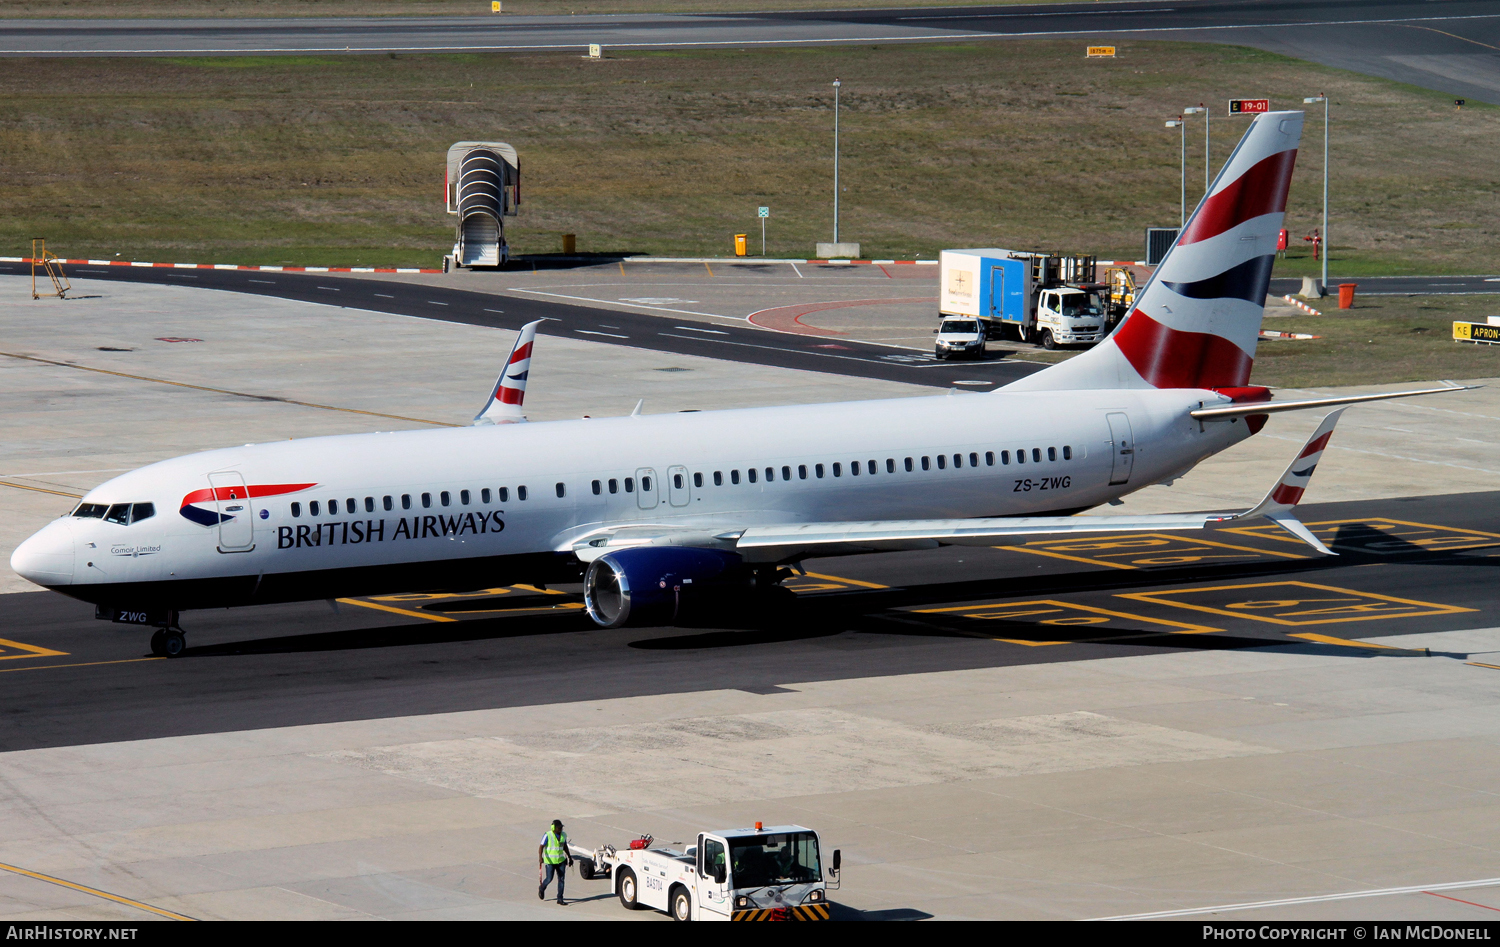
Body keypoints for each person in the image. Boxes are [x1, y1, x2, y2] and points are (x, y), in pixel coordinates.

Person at [538, 819, 572, 904]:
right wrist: (540, 857)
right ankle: (542, 888)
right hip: (550, 862)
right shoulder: (548, 835)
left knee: (561, 879)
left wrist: (570, 857)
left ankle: (560, 898)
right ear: (553, 828)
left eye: (561, 827)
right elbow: (541, 847)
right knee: (549, 878)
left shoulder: (563, 835)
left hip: (561, 861)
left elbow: (565, 846)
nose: (560, 829)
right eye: (559, 828)